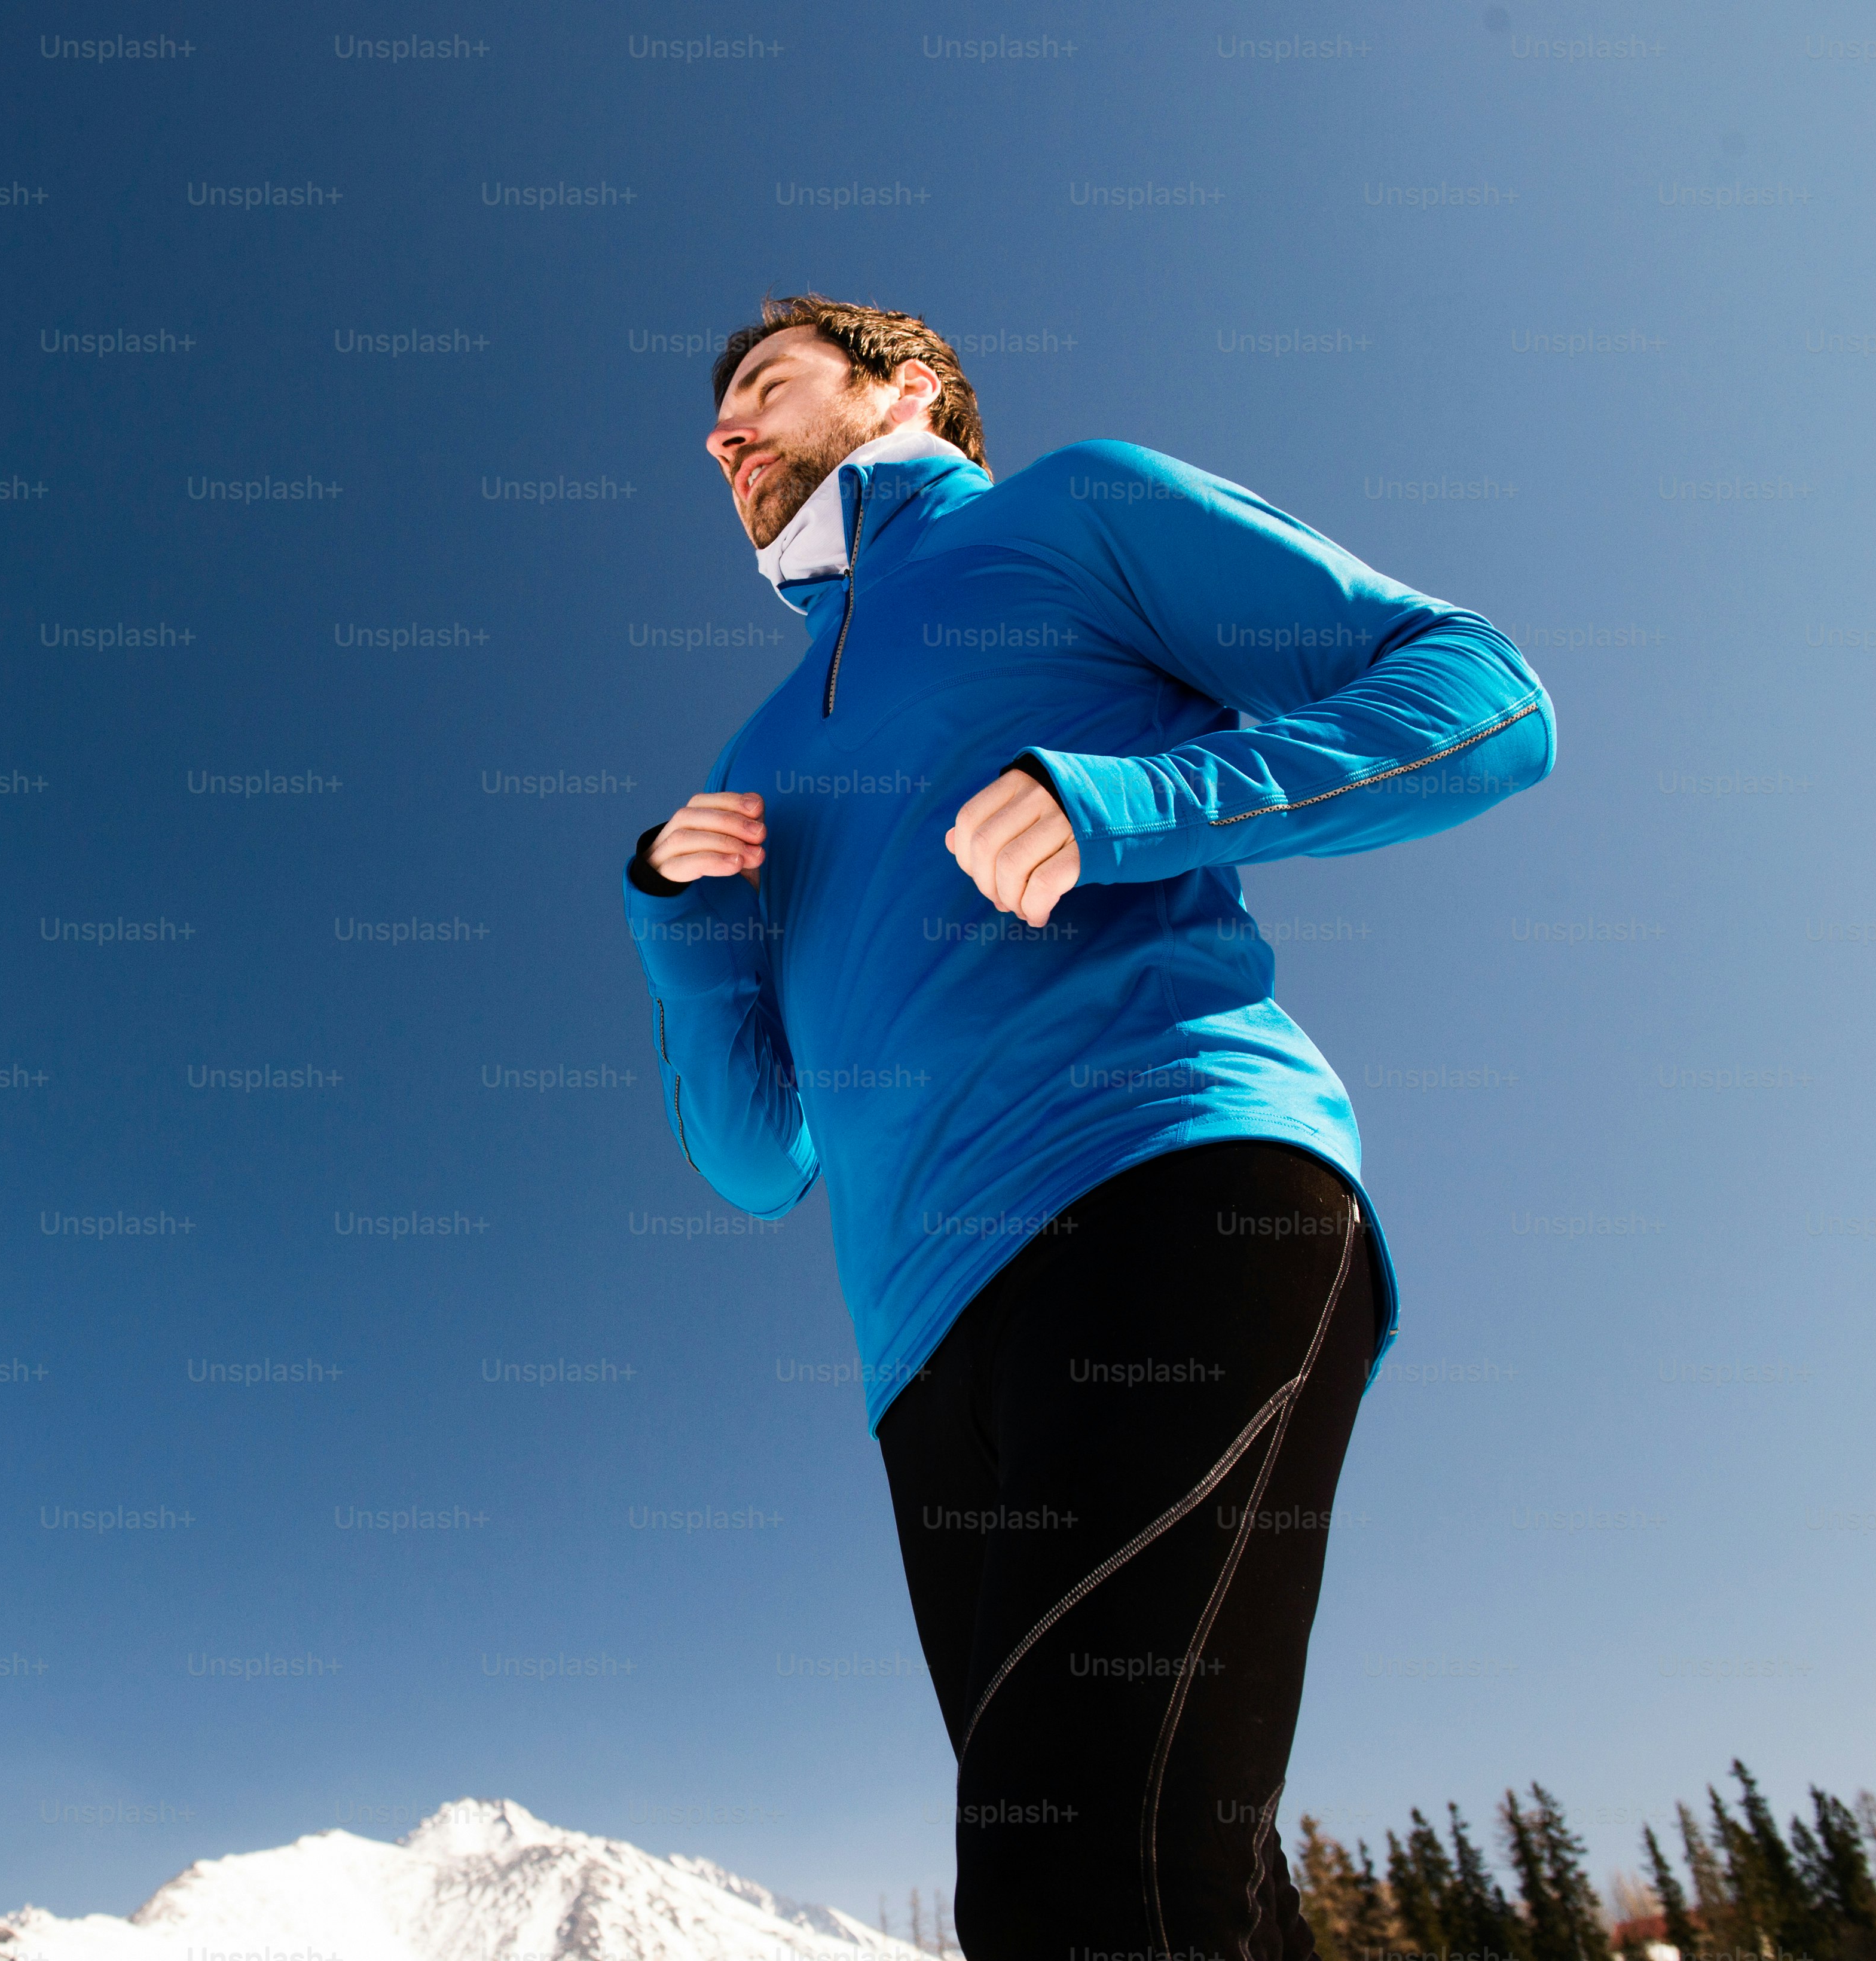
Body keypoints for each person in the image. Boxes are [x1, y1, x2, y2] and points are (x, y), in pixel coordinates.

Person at [621, 294, 1556, 1956]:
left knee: (1080, 1884)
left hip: (1172, 1196)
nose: (724, 436)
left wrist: (1125, 800)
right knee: (1175, 1879)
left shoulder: (1073, 514)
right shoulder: (758, 759)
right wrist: (678, 931)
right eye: (716, 421)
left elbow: (1484, 700)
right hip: (923, 1373)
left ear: (905, 388)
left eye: (762, 385)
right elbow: (758, 1158)